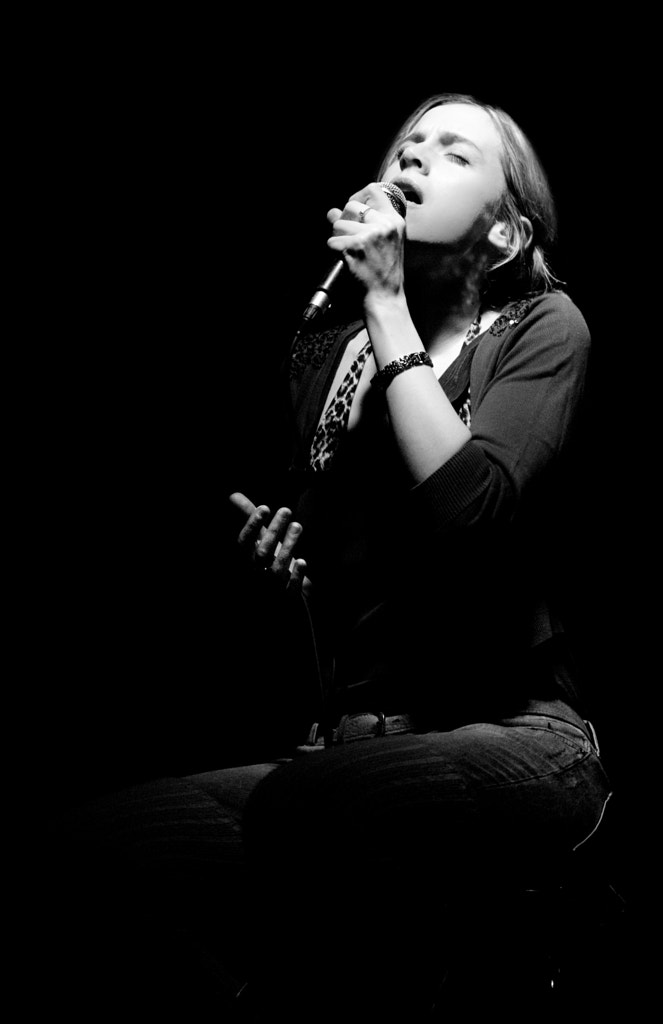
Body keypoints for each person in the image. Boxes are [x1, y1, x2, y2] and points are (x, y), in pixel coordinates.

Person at [51, 92, 613, 1021]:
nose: (418, 155)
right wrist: (286, 578)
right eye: (409, 141)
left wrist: (387, 301)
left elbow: (468, 518)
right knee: (95, 848)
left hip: (514, 739)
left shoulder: (541, 331)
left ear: (505, 234)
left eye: (454, 153)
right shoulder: (324, 356)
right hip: (342, 748)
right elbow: (359, 595)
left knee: (309, 815)